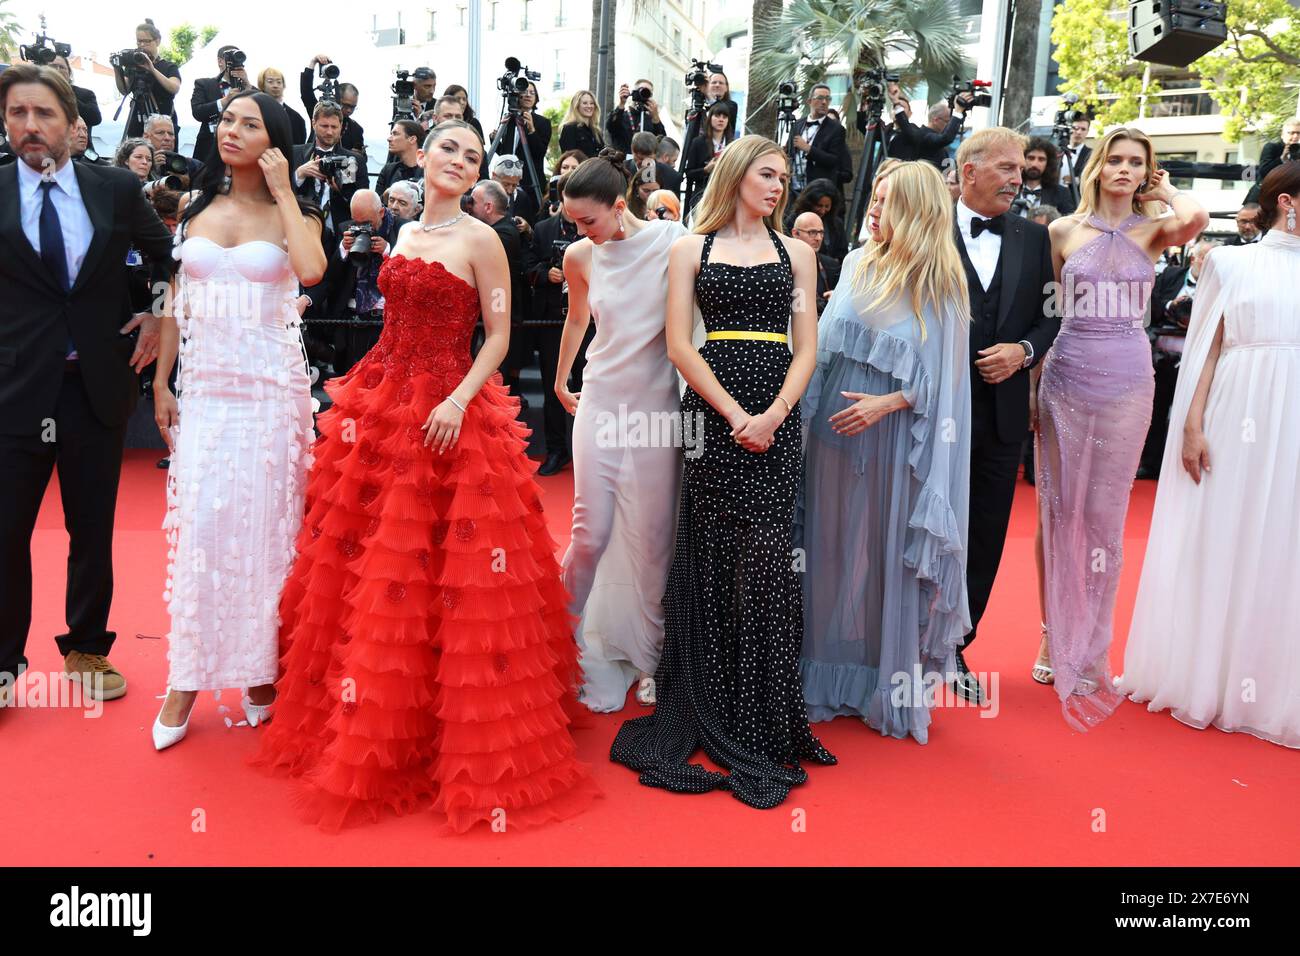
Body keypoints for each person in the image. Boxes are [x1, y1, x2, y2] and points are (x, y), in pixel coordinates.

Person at [253, 119, 598, 833]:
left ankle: (451, 733)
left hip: (450, 404)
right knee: (368, 557)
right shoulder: (405, 232)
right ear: (426, 153)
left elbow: (499, 336)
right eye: (449, 147)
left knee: (451, 565)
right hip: (382, 395)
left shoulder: (484, 240)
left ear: (479, 173)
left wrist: (456, 398)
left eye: (472, 156)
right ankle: (368, 716)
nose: (459, 161)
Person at [610, 135, 836, 808]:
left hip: (778, 410)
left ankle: (761, 712)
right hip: (711, 413)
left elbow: (806, 349)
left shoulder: (798, 254)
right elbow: (681, 346)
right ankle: (704, 695)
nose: (777, 186)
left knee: (767, 557)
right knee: (710, 550)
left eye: (784, 177)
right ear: (738, 174)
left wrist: (774, 413)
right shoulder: (690, 250)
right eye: (767, 173)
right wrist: (736, 411)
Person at [148, 90, 326, 749]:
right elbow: (174, 300)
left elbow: (310, 271)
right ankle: (185, 679)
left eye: (250, 123)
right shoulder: (195, 207)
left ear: (274, 139)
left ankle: (258, 675)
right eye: (227, 119)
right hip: (207, 393)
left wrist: (284, 189)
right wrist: (162, 382)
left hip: (270, 396)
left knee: (260, 534)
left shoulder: (292, 213)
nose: (232, 130)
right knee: (202, 526)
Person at [0, 64, 174, 708]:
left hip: (94, 387)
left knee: (91, 528)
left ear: (72, 122)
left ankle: (87, 649)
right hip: (13, 391)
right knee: (5, 532)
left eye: (43, 113)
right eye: (17, 114)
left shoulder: (114, 190)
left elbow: (167, 256)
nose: (30, 127)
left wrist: (157, 313)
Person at [1118, 163, 1300, 748]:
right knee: (1226, 534)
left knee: (1282, 543)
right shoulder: (1230, 261)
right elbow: (1206, 351)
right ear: (1288, 203)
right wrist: (1191, 426)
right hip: (1238, 414)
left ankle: (1271, 685)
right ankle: (1205, 677)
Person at [1033, 127, 1207, 729]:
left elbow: (1198, 216)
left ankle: (1093, 649)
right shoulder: (1061, 230)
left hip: (1129, 380)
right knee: (1058, 511)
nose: (1126, 169)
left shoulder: (1155, 230)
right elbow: (1049, 311)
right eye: (1117, 158)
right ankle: (1054, 637)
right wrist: (1034, 385)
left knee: (1105, 518)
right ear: (1098, 165)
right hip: (1067, 374)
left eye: (1138, 163)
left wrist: (1166, 190)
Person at [798, 160, 971, 741]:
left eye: (887, 199)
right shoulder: (853, 263)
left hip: (896, 436)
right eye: (873, 196)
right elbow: (821, 351)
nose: (873, 207)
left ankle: (883, 682)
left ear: (917, 209)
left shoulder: (940, 283)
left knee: (883, 551)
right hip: (830, 433)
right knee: (827, 548)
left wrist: (887, 403)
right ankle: (822, 676)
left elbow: (946, 383)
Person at [552, 151, 686, 711]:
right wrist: (562, 381)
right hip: (601, 400)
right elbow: (578, 318)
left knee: (654, 538)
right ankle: (556, 643)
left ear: (619, 205)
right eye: (573, 223)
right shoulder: (582, 255)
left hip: (658, 405)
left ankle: (651, 656)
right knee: (590, 533)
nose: (581, 232)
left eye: (589, 220)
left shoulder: (674, 242)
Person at [950, 127, 1058, 703]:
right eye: (1007, 168)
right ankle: (902, 644)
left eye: (1021, 169)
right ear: (969, 170)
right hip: (931, 411)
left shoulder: (1033, 238)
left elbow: (1051, 316)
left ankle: (955, 646)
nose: (1019, 178)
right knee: (926, 523)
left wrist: (1024, 353)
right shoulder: (928, 228)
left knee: (986, 532)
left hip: (1002, 415)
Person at [1139, 238, 1219, 479]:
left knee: (1190, 414)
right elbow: (1149, 302)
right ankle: (1150, 463)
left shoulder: (1223, 284)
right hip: (1163, 356)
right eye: (1206, 258)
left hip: (1199, 361)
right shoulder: (1172, 275)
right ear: (1194, 258)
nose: (1210, 264)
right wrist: (1170, 306)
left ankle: (1179, 463)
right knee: (1156, 411)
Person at [522, 180, 581, 476]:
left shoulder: (592, 228)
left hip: (588, 319)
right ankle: (557, 450)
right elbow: (528, 266)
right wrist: (548, 273)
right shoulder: (544, 228)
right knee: (551, 387)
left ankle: (588, 450)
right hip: (551, 319)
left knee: (587, 386)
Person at [468, 179, 530, 398]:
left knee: (493, 381)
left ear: (488, 207)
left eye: (472, 202)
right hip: (491, 319)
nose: (468, 206)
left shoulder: (503, 235)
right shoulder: (499, 231)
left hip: (501, 321)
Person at [292, 101, 369, 257]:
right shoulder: (295, 153)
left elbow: (363, 202)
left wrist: (341, 190)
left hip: (340, 235)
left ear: (341, 126)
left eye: (334, 127)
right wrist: (299, 174)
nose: (329, 132)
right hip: (302, 231)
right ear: (313, 123)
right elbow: (281, 192)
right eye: (324, 126)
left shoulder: (354, 160)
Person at [121, 20, 181, 138]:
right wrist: (117, 69)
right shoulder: (133, 65)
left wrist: (152, 69)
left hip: (163, 125)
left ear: (157, 41)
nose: (142, 45)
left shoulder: (169, 66)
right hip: (137, 122)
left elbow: (174, 88)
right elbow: (124, 90)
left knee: (164, 156)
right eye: (139, 41)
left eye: (146, 41)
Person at [490, 82, 551, 200]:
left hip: (530, 181)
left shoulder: (543, 122)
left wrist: (532, 130)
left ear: (536, 98)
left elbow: (539, 153)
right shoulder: (509, 119)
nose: (528, 95)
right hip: (506, 178)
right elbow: (506, 154)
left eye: (532, 93)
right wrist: (494, 140)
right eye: (524, 92)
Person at [787, 84, 852, 195]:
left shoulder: (836, 129)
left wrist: (808, 148)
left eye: (828, 99)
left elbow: (834, 160)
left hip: (817, 191)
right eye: (820, 98)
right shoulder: (797, 124)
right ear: (809, 101)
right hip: (794, 188)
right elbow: (790, 152)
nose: (824, 102)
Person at [191, 46, 250, 164]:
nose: (234, 64)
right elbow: (197, 112)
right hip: (210, 146)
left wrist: (247, 85)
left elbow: (262, 111)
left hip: (241, 146)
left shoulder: (249, 88)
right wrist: (223, 102)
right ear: (220, 61)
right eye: (230, 60)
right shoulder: (204, 84)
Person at [888, 87, 971, 169]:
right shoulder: (922, 136)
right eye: (947, 122)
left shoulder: (934, 140)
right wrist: (958, 111)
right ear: (936, 120)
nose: (949, 126)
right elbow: (945, 138)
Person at [300, 55, 364, 154]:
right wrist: (313, 63)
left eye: (353, 107)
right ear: (337, 98)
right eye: (346, 105)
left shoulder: (356, 129)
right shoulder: (319, 112)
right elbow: (306, 92)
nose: (349, 110)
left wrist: (358, 155)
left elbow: (362, 160)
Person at [684, 102, 735, 212]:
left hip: (726, 196)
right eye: (717, 116)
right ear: (710, 118)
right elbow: (689, 173)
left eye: (724, 117)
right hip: (703, 195)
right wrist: (705, 170)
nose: (721, 119)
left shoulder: (733, 144)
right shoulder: (698, 142)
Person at [785, 179, 848, 263]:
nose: (822, 210)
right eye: (819, 205)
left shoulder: (836, 224)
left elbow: (842, 255)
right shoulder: (794, 220)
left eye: (827, 206)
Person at [789, 210, 839, 314]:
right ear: (795, 233)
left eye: (821, 232)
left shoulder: (831, 266)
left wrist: (836, 297)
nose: (818, 238)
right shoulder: (781, 263)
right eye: (812, 232)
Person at [1016, 137, 1076, 216]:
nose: (1035, 164)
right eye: (1031, 158)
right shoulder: (1010, 188)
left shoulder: (1061, 193)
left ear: (1048, 163)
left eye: (1041, 159)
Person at [1245, 118, 1299, 204]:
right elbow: (1264, 172)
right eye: (1291, 133)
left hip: (1286, 201)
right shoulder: (1272, 147)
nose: (1295, 136)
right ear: (1282, 135)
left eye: (1298, 133)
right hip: (1263, 198)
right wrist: (1282, 159)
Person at [606, 79, 666, 155]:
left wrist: (655, 117)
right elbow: (611, 126)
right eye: (641, 90)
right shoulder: (622, 116)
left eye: (647, 92)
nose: (643, 94)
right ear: (634, 92)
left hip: (644, 163)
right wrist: (621, 103)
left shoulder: (651, 120)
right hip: (621, 163)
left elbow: (662, 141)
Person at [49, 55, 101, 137]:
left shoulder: (85, 94)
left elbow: (95, 119)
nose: (58, 70)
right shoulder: (40, 94)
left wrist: (64, 94)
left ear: (69, 72)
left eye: (62, 67)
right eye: (53, 66)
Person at [143, 114, 203, 179]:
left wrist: (188, 183)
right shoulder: (135, 164)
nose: (167, 138)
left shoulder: (193, 166)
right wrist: (150, 169)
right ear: (146, 137)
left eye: (171, 134)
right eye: (160, 133)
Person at [258, 67, 307, 145]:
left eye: (279, 82)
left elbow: (298, 149)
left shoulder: (296, 118)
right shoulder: (255, 112)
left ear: (283, 85)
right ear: (262, 85)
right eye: (270, 82)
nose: (275, 86)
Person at [627, 130, 682, 197]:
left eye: (649, 158)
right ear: (632, 152)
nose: (645, 162)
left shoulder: (672, 177)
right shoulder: (622, 170)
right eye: (640, 159)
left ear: (655, 154)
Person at [376, 120, 423, 195]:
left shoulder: (429, 171)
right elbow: (378, 203)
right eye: (391, 134)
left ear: (412, 139)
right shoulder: (388, 171)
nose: (389, 139)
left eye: (395, 134)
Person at [491, 154, 539, 225]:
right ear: (494, 176)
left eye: (514, 185)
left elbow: (532, 230)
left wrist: (527, 227)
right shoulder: (480, 194)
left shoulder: (522, 198)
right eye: (506, 184)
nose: (510, 191)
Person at [559, 90, 605, 158]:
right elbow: (569, 157)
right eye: (585, 103)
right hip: (581, 168)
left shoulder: (596, 131)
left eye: (592, 103)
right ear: (576, 106)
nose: (589, 106)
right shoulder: (569, 128)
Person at [1060, 117, 1091, 189]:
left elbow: (1093, 179)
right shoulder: (1056, 151)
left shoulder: (1092, 154)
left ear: (1087, 132)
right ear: (1069, 129)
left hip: (1077, 199)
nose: (1079, 132)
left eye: (1083, 129)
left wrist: (1076, 180)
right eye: (1075, 128)